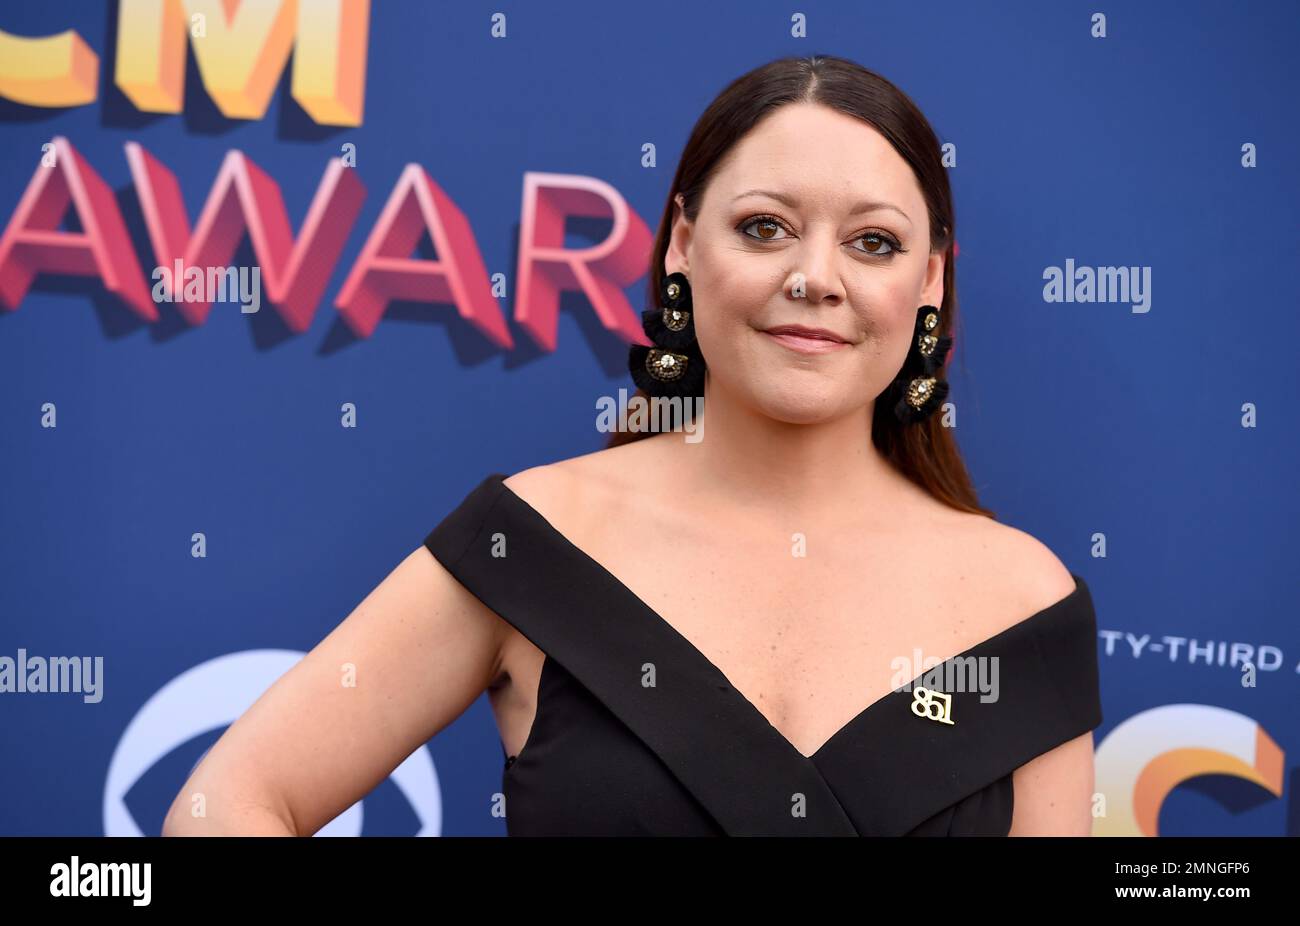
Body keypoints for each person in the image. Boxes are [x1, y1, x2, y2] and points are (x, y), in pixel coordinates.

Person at [162, 54, 1101, 837]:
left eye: (873, 243)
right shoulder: (536, 540)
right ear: (684, 247)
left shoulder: (1023, 602)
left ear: (930, 279)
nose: (816, 278)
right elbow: (227, 803)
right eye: (765, 228)